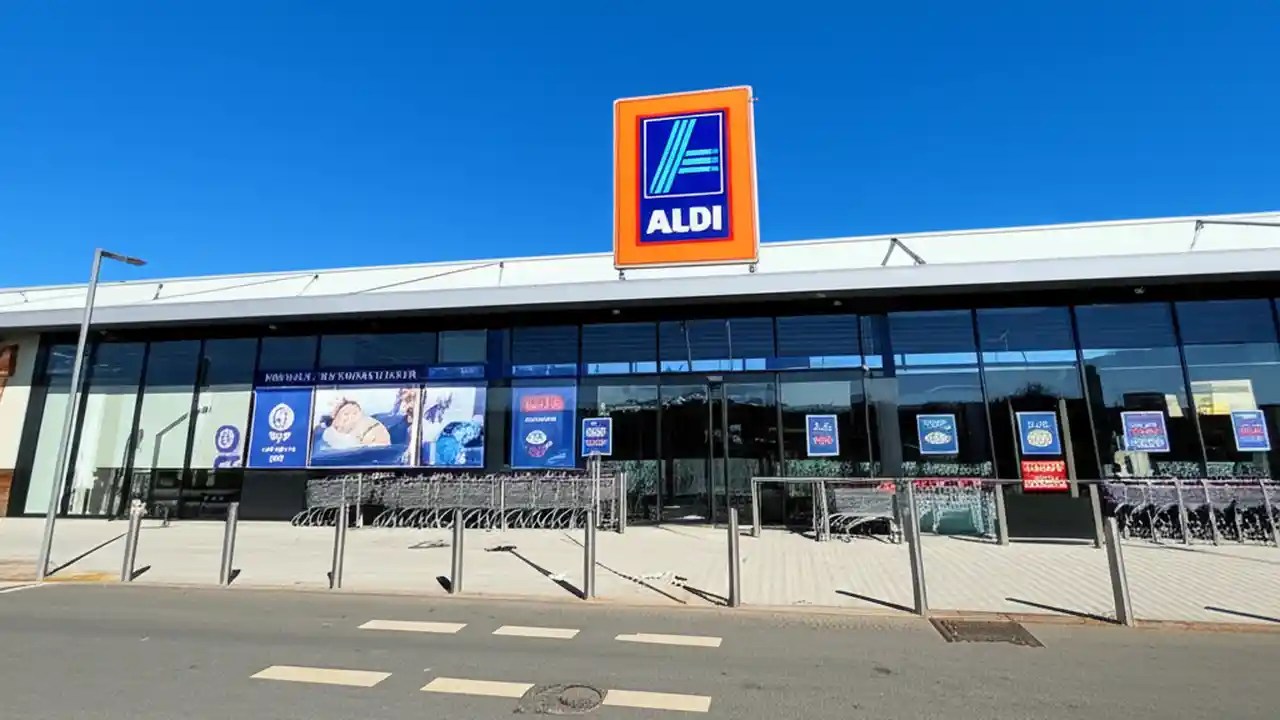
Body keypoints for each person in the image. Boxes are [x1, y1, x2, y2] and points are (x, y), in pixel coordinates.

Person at [322, 397, 391, 449]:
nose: (351, 417)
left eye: (355, 413)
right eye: (346, 414)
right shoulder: (330, 434)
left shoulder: (368, 424)